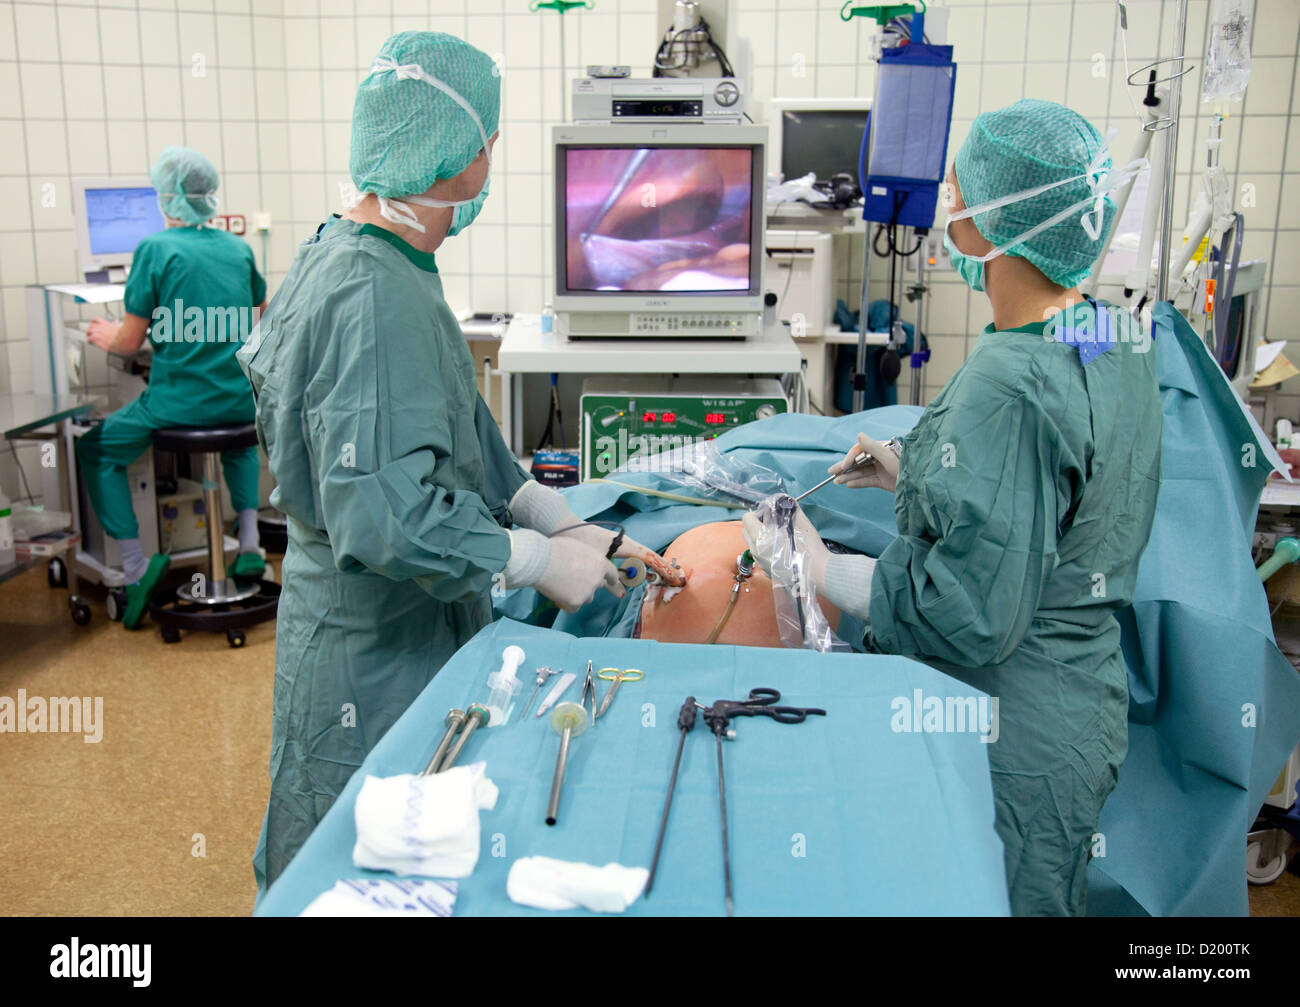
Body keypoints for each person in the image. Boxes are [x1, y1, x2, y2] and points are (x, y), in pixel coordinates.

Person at [238, 31, 669, 893]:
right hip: (371, 643)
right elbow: (389, 517)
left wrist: (568, 521)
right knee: (362, 871)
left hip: (399, 623)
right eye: (487, 136)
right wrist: (541, 564)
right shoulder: (371, 294)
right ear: (452, 151)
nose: (493, 152)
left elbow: (459, 429)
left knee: (422, 853)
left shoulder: (381, 256)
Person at [744, 99, 1163, 916]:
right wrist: (916, 476)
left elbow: (971, 610)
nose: (947, 203)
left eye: (959, 189)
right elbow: (1061, 503)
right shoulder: (1111, 337)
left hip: (1010, 729)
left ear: (996, 220)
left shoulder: (1006, 384)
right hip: (1079, 711)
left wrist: (823, 568)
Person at [78, 146, 268, 628]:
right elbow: (262, 317)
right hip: (236, 401)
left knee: (96, 450)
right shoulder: (237, 248)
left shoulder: (155, 250)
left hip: (174, 408)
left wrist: (105, 335)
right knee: (239, 438)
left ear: (167, 199)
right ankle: (248, 543)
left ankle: (137, 566)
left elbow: (128, 342)